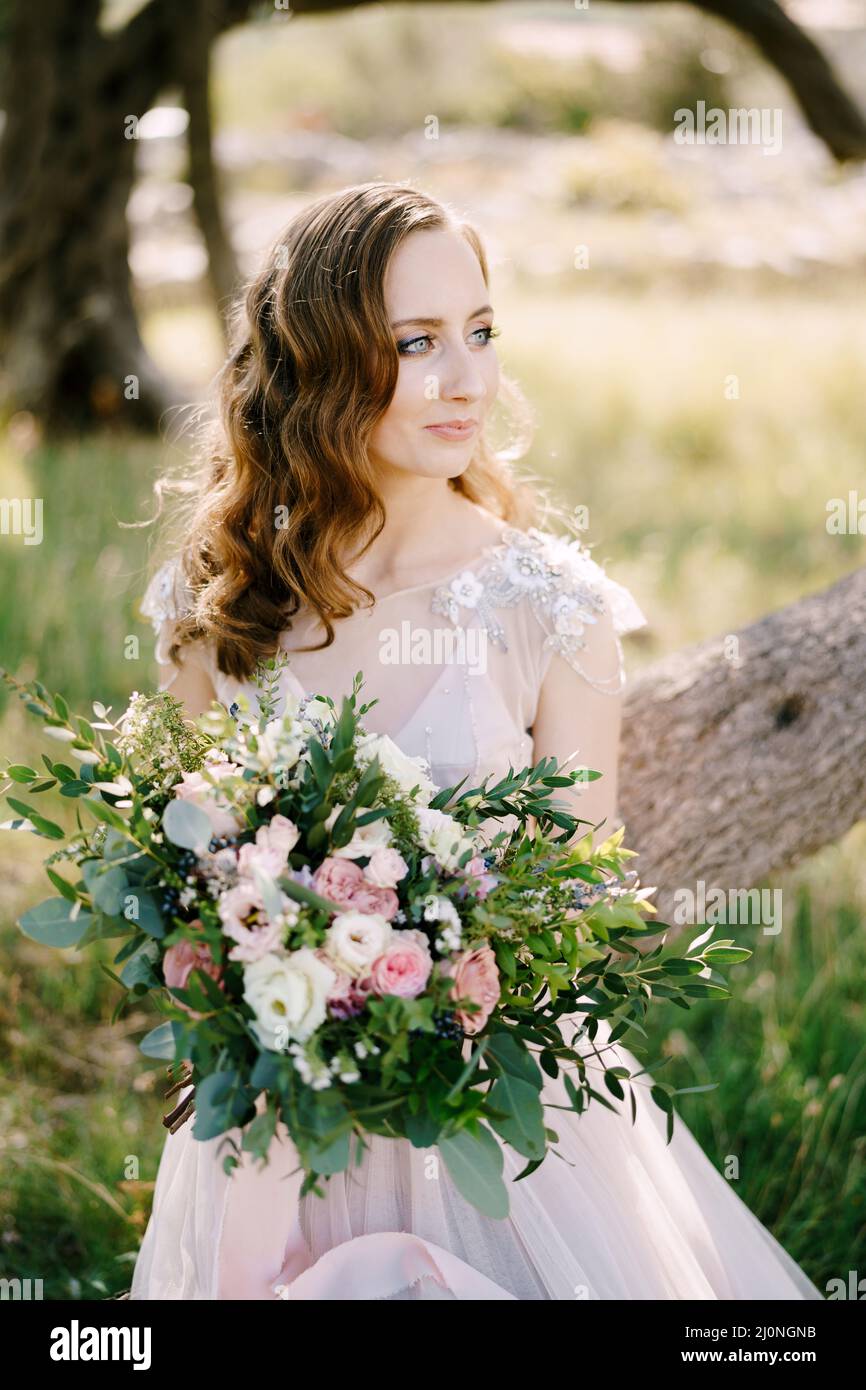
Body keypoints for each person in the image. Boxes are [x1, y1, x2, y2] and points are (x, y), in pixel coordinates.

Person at [130, 182, 822, 1300]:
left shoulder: (547, 606)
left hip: (493, 1118)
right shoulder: (218, 604)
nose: (468, 381)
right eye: (416, 344)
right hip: (271, 1107)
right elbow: (196, 867)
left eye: (481, 333)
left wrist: (446, 960)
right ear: (317, 361)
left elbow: (578, 893)